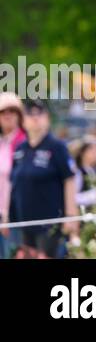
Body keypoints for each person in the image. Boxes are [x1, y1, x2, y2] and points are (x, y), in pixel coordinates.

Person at [9, 99, 78, 258]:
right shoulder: (20, 149)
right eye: (30, 115)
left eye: (39, 114)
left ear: (47, 118)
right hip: (24, 223)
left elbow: (69, 180)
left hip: (50, 225)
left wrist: (71, 216)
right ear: (23, 121)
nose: (35, 118)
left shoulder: (57, 147)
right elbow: (14, 184)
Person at [0, 92, 27, 259]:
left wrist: (6, 216)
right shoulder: (3, 142)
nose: (8, 115)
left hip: (14, 217)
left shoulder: (24, 143)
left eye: (13, 110)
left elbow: (15, 183)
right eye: (3, 111)